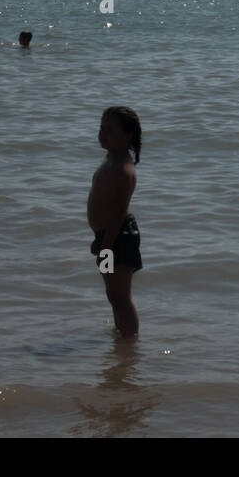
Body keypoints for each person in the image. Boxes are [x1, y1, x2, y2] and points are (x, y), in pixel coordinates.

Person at [87, 107, 142, 338]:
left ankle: (130, 342)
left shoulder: (123, 169)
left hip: (119, 238)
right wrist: (99, 240)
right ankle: (122, 341)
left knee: (120, 296)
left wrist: (106, 246)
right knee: (113, 294)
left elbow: (119, 211)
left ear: (127, 135)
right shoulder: (111, 159)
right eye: (101, 128)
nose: (102, 134)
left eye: (110, 130)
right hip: (107, 237)